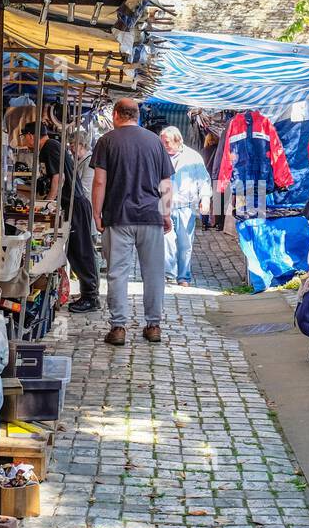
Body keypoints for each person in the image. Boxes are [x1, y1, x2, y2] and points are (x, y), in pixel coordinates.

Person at [91, 99, 174, 346]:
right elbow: (166, 183)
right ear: (137, 115)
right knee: (154, 273)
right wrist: (166, 213)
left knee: (118, 273)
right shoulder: (155, 142)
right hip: (151, 216)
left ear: (116, 114)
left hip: (118, 217)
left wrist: (97, 213)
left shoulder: (107, 141)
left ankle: (118, 328)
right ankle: (153, 325)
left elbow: (99, 182)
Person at [19, 123, 100, 313]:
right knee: (75, 250)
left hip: (75, 203)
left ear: (31, 136)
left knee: (81, 250)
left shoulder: (50, 147)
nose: (26, 141)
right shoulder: (51, 147)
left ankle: (91, 296)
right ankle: (88, 293)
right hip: (71, 203)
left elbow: (59, 178)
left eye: (25, 137)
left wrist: (48, 203)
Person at [159, 127, 212, 287]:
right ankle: (169, 274)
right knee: (166, 240)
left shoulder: (192, 157)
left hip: (185, 206)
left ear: (178, 141)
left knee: (185, 243)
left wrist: (205, 198)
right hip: (164, 205)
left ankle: (183, 277)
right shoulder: (159, 154)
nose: (164, 145)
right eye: (162, 142)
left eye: (166, 142)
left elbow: (204, 179)